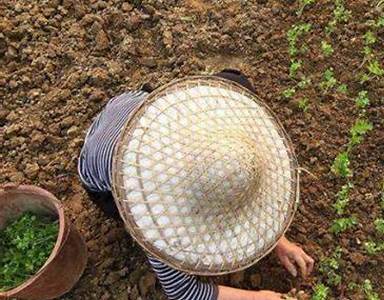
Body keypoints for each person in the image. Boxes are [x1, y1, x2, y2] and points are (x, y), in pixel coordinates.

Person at [78, 69, 314, 300]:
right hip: (102, 177)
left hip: (132, 105)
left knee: (233, 80)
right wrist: (257, 297)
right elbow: (183, 293)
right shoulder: (151, 208)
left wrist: (278, 241)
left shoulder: (217, 140)